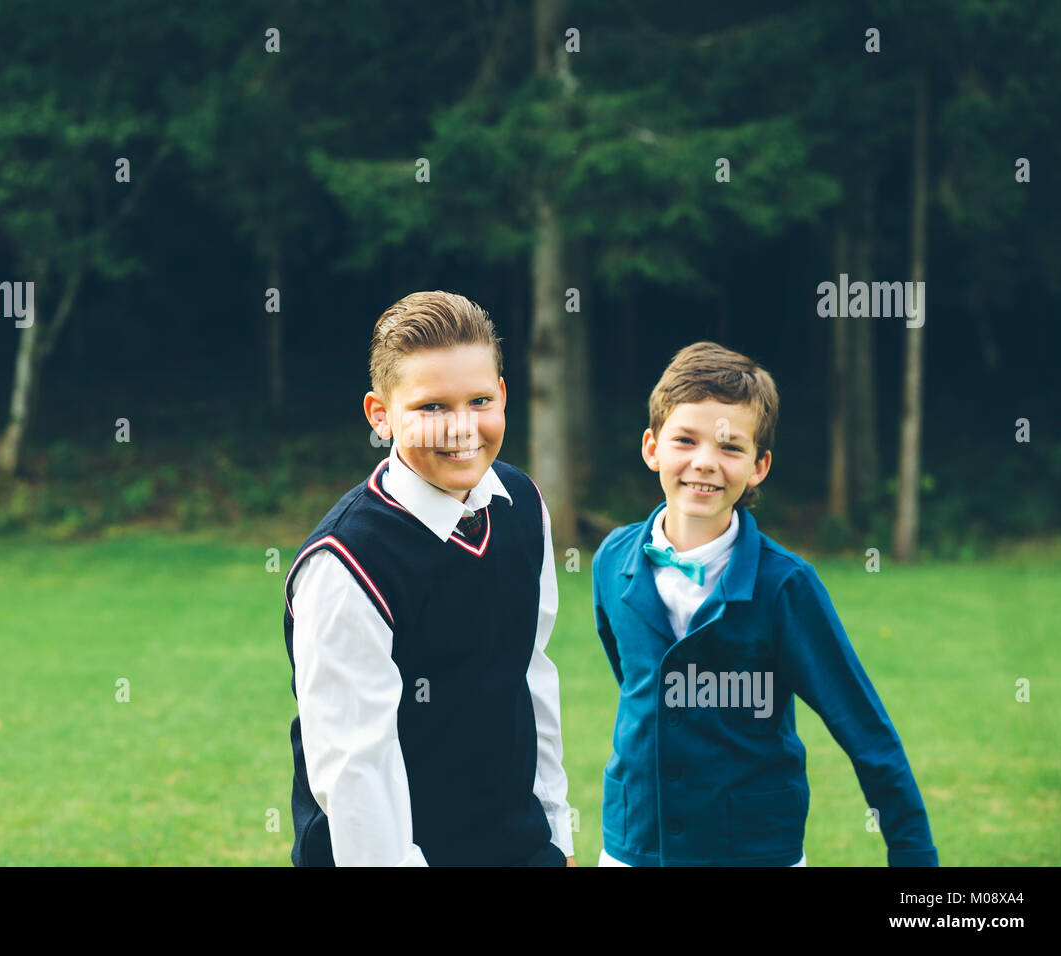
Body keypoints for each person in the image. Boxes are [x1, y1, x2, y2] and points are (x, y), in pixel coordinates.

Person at [592, 341, 938, 867]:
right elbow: (635, 682)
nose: (705, 462)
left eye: (730, 448)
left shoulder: (787, 586)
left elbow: (864, 727)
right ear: (652, 448)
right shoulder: (610, 558)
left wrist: (914, 857)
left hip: (753, 850)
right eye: (686, 439)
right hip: (634, 845)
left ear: (759, 466)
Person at [283, 290, 575, 866]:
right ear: (380, 415)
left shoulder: (523, 502)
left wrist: (556, 837)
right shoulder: (346, 561)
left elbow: (532, 674)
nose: (461, 428)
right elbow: (355, 771)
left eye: (480, 400)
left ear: (504, 396)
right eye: (431, 407)